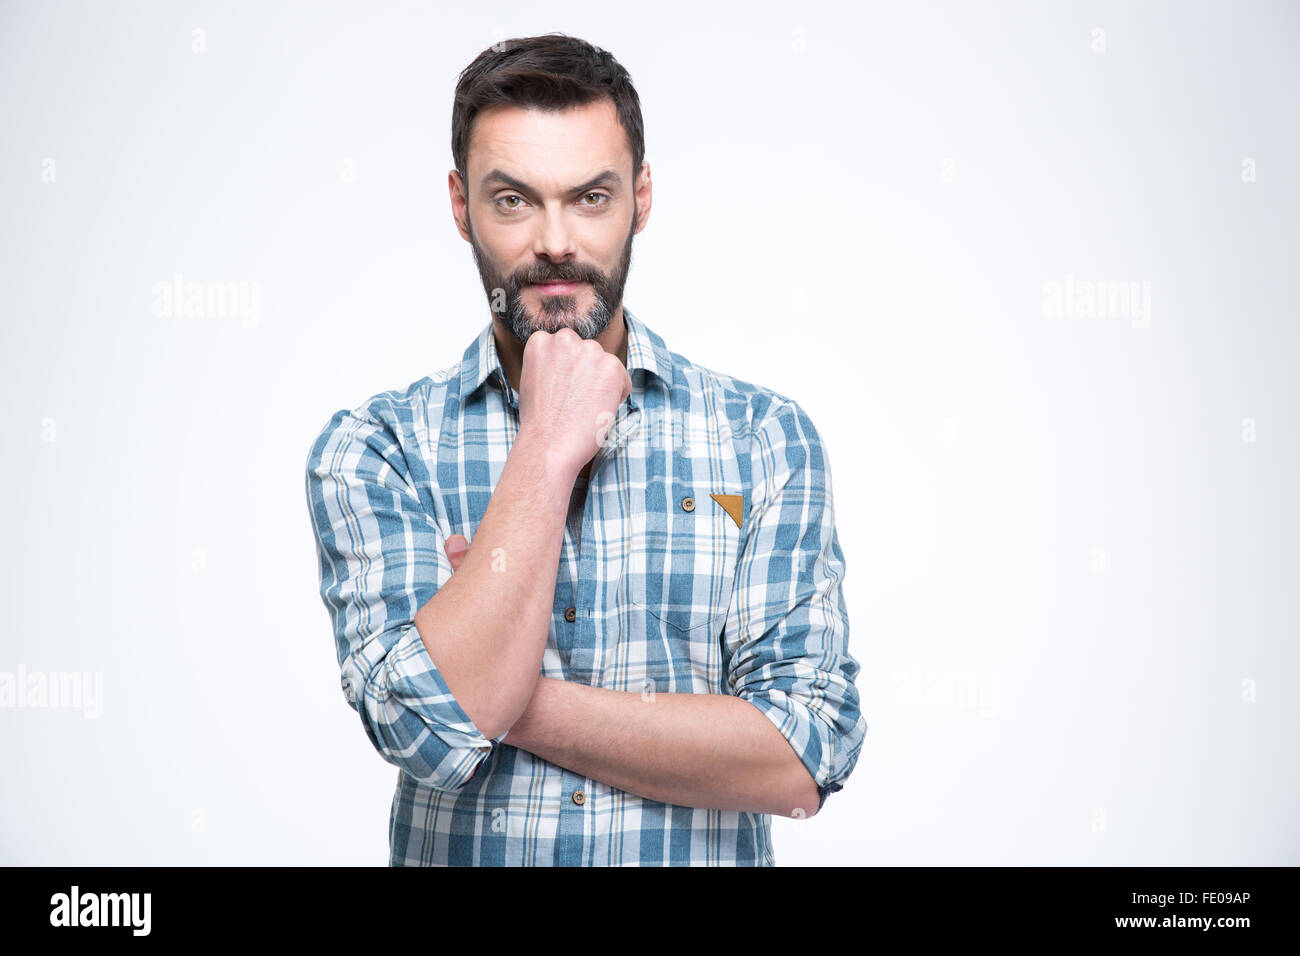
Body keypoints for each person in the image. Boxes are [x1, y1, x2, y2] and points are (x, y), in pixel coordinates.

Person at [304, 32, 866, 866]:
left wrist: (496, 687)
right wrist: (545, 444)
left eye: (591, 198)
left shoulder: (762, 440)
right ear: (461, 205)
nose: (555, 242)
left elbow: (803, 757)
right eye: (514, 201)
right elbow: (425, 734)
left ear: (641, 198)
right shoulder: (378, 450)